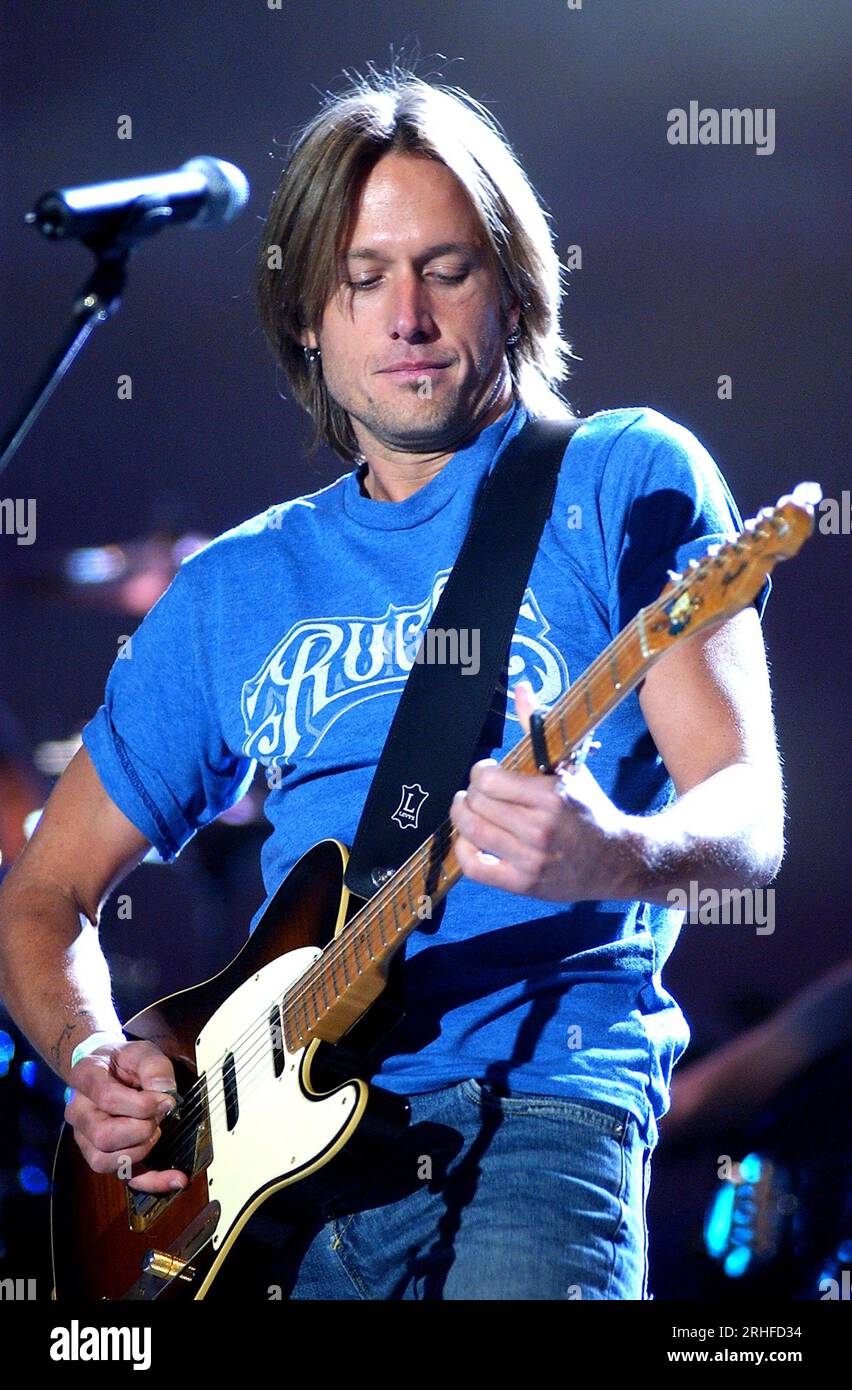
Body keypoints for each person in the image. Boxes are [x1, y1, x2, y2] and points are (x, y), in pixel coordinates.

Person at [0, 68, 784, 1300]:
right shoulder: (237, 587)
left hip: (539, 1107)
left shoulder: (625, 477)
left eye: (446, 269)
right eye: (363, 278)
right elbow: (40, 891)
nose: (406, 315)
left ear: (514, 286)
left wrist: (615, 851)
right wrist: (89, 1049)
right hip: (269, 1178)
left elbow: (747, 811)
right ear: (309, 317)